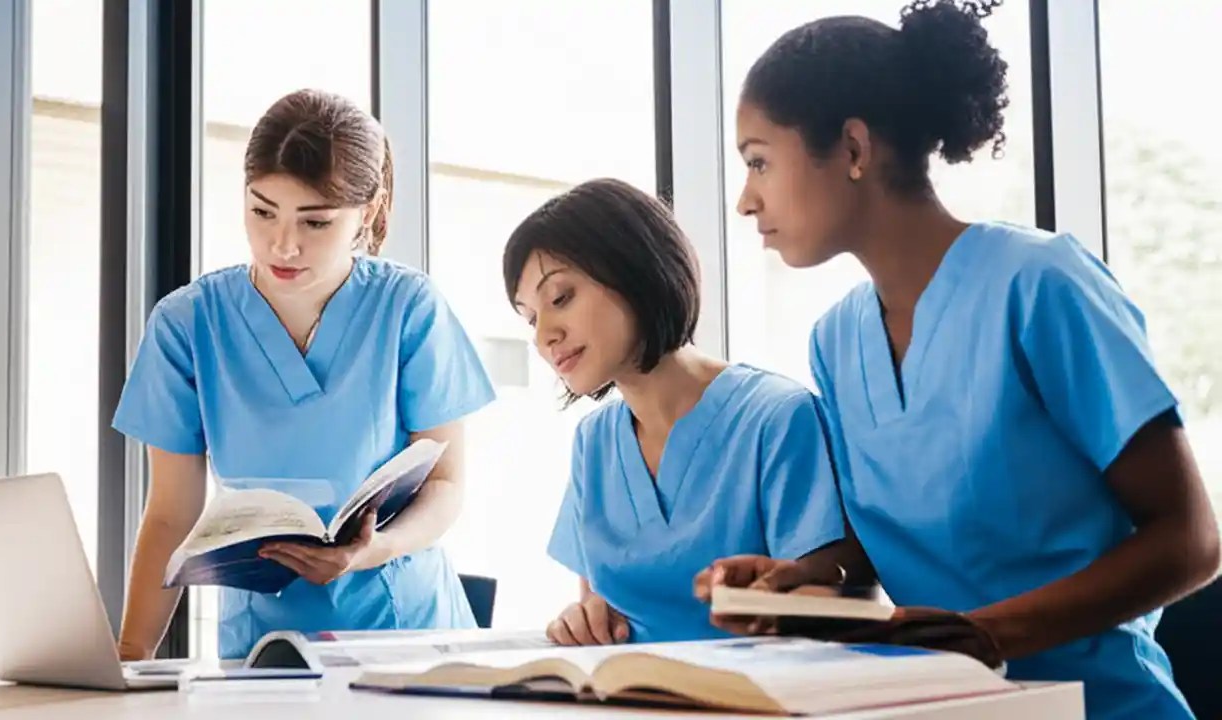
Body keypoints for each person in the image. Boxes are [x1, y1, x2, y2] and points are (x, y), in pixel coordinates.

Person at [697, 2, 1220, 718]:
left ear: (852, 149)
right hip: (946, 707)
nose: (744, 200)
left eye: (758, 160)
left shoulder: (1041, 286)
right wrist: (802, 579)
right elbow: (894, 549)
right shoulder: (836, 341)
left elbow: (1190, 540)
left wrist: (988, 634)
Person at [112, 89, 495, 660]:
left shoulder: (408, 309)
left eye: (314, 222)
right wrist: (130, 656)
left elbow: (445, 486)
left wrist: (370, 550)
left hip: (406, 636)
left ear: (366, 212)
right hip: (260, 646)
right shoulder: (188, 324)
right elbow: (171, 512)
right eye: (262, 211)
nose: (282, 244)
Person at [504, 178, 851, 646]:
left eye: (561, 298)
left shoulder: (777, 418)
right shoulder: (595, 443)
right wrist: (584, 621)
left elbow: (832, 612)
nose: (543, 335)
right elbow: (598, 608)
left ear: (635, 270)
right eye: (530, 318)